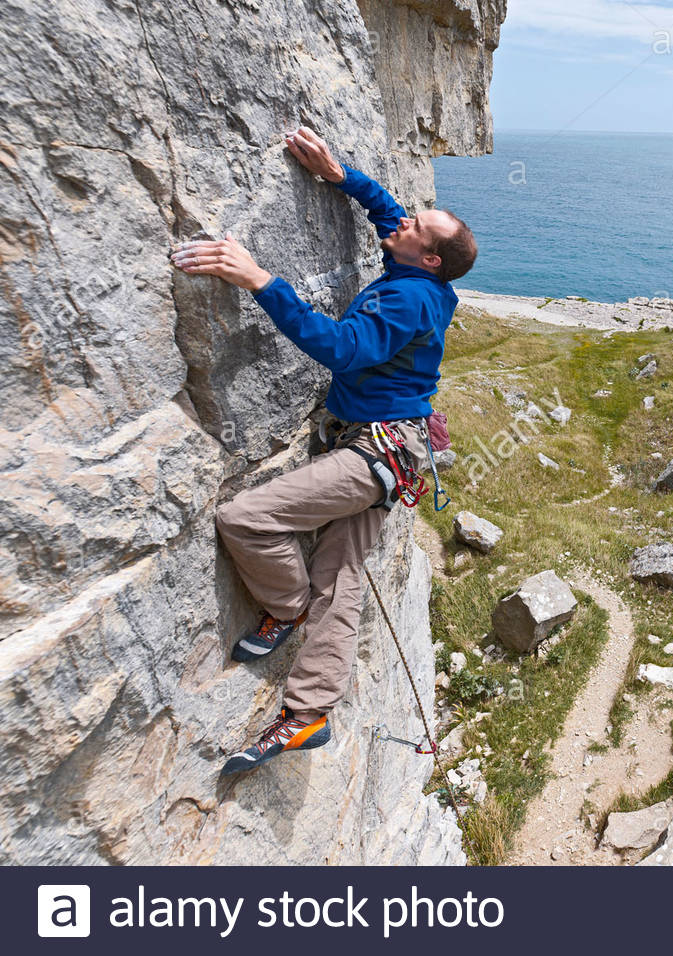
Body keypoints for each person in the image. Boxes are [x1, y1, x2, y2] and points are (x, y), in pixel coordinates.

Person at [171, 126, 476, 775]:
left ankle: (284, 607)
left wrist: (258, 278)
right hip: (394, 445)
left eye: (417, 223)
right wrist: (342, 177)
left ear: (427, 258)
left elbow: (339, 347)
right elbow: (389, 212)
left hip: (377, 451)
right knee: (340, 579)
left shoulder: (407, 298)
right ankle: (309, 714)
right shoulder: (422, 269)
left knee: (247, 519)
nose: (402, 217)